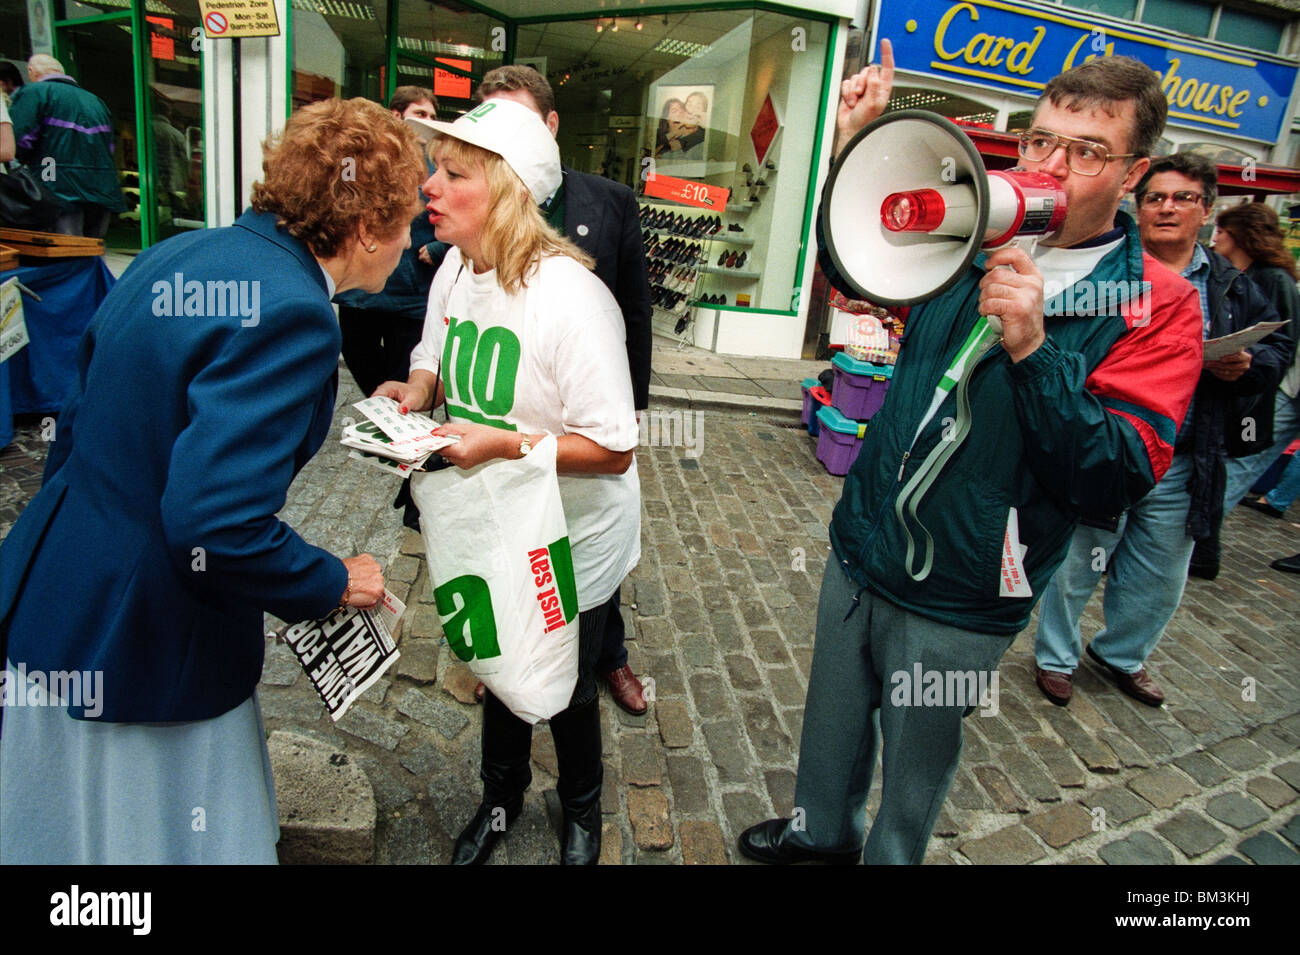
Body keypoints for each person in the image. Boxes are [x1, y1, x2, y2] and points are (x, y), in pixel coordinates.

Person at [740, 48, 1206, 865]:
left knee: (919, 756)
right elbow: (858, 272)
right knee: (832, 720)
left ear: (1133, 174)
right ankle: (818, 834)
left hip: (970, 586)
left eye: (1087, 152)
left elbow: (1113, 474)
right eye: (1038, 141)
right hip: (865, 543)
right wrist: (857, 150)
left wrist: (1034, 346)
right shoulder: (971, 234)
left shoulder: (1156, 305)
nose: (1052, 166)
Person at [0, 97, 425, 863]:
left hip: (58, 591)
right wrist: (329, 579)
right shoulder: (297, 313)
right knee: (139, 841)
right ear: (366, 229)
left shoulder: (174, 250)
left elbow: (78, 412)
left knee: (65, 834)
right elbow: (215, 523)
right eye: (403, 226)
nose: (407, 245)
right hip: (146, 640)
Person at [376, 98, 640, 865]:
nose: (430, 184)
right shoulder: (457, 265)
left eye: (454, 173)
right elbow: (433, 345)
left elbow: (615, 449)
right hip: (496, 515)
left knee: (566, 674)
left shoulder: (574, 299)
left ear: (509, 193)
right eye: (437, 166)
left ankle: (582, 808)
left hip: (572, 533)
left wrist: (502, 445)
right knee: (495, 659)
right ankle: (500, 799)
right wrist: (419, 389)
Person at [1034, 155, 1291, 708]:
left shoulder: (1229, 285)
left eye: (1183, 198)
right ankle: (1055, 657)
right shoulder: (1109, 271)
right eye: (1155, 198)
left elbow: (1277, 349)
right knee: (1079, 559)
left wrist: (1248, 366)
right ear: (1138, 205)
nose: (1167, 208)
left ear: (1207, 210)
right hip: (1109, 441)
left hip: (1186, 458)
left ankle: (1122, 654)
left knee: (1160, 572)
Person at [472, 64, 653, 716]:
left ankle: (608, 654)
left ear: (551, 126)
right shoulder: (476, 211)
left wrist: (626, 414)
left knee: (592, 550)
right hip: (506, 423)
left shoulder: (609, 202)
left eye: (520, 124)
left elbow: (634, 315)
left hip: (582, 424)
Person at [335, 85, 449, 400]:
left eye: (432, 116)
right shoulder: (363, 159)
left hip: (410, 296)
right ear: (397, 115)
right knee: (362, 361)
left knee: (404, 372)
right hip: (361, 292)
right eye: (420, 114)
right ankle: (385, 429)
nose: (428, 121)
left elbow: (461, 214)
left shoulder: (437, 166)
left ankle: (394, 437)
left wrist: (440, 248)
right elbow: (340, 196)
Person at [1213, 202, 1300, 529]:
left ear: (1239, 235)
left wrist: (1252, 361)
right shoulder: (1231, 273)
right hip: (1238, 386)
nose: (1216, 237)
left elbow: (1282, 342)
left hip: (1265, 391)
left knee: (1239, 465)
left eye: (1222, 230)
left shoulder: (1274, 279)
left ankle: (1201, 541)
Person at [7, 54, 125, 237]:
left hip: (53, 177)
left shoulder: (35, 92)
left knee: (63, 250)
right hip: (101, 182)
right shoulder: (95, 101)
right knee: (92, 250)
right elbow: (109, 146)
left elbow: (19, 141)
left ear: (31, 71)